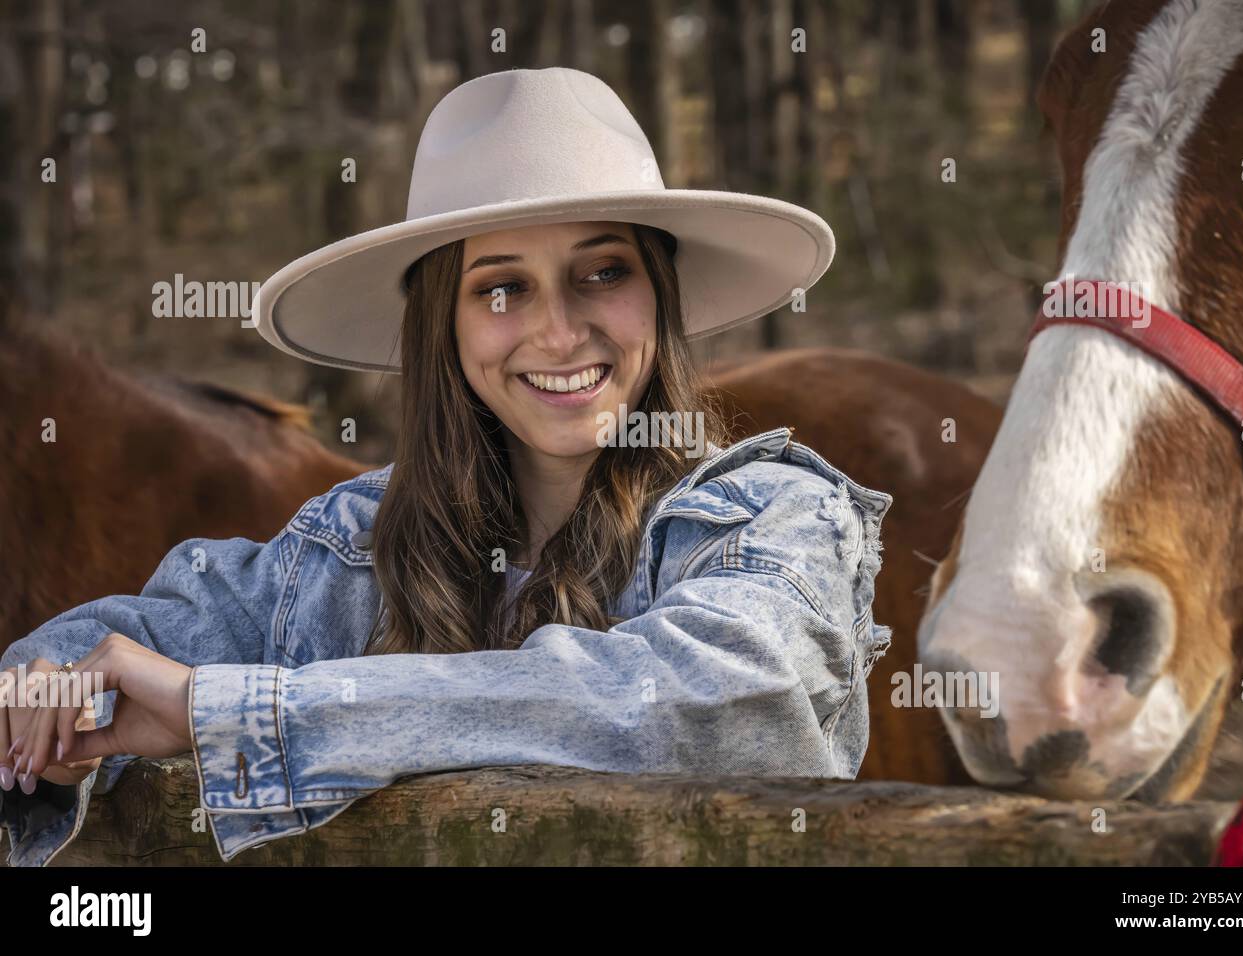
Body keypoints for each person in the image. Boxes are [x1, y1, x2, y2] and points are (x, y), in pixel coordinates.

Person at [0, 67, 893, 866]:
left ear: (659, 295)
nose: (559, 331)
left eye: (603, 271)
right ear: (447, 323)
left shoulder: (776, 518)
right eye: (501, 286)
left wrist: (235, 714)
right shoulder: (349, 545)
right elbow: (143, 634)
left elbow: (717, 704)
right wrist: (48, 681)